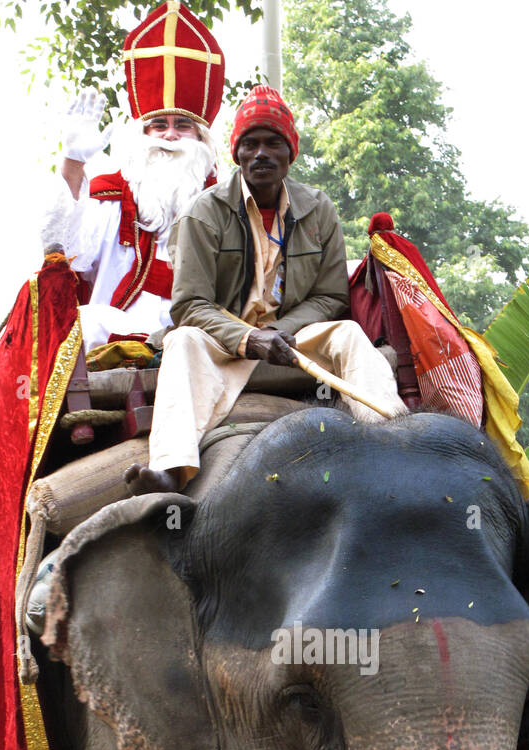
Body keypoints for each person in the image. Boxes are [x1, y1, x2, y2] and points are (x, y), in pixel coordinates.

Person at [127, 84, 408, 494]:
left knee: (348, 333)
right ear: (237, 154)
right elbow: (189, 305)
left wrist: (282, 333)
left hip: (294, 339)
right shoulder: (204, 212)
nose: (262, 154)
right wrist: (251, 339)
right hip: (222, 343)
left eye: (273, 143)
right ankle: (170, 469)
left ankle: (396, 443)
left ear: (289, 153)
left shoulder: (318, 208)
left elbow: (332, 298)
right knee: (183, 340)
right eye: (251, 144)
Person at [39, 2, 224, 351]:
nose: (169, 136)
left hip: (203, 341)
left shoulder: (228, 202)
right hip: (118, 336)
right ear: (143, 134)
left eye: (182, 125)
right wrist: (73, 164)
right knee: (86, 320)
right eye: (158, 125)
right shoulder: (112, 195)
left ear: (202, 138)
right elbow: (66, 253)